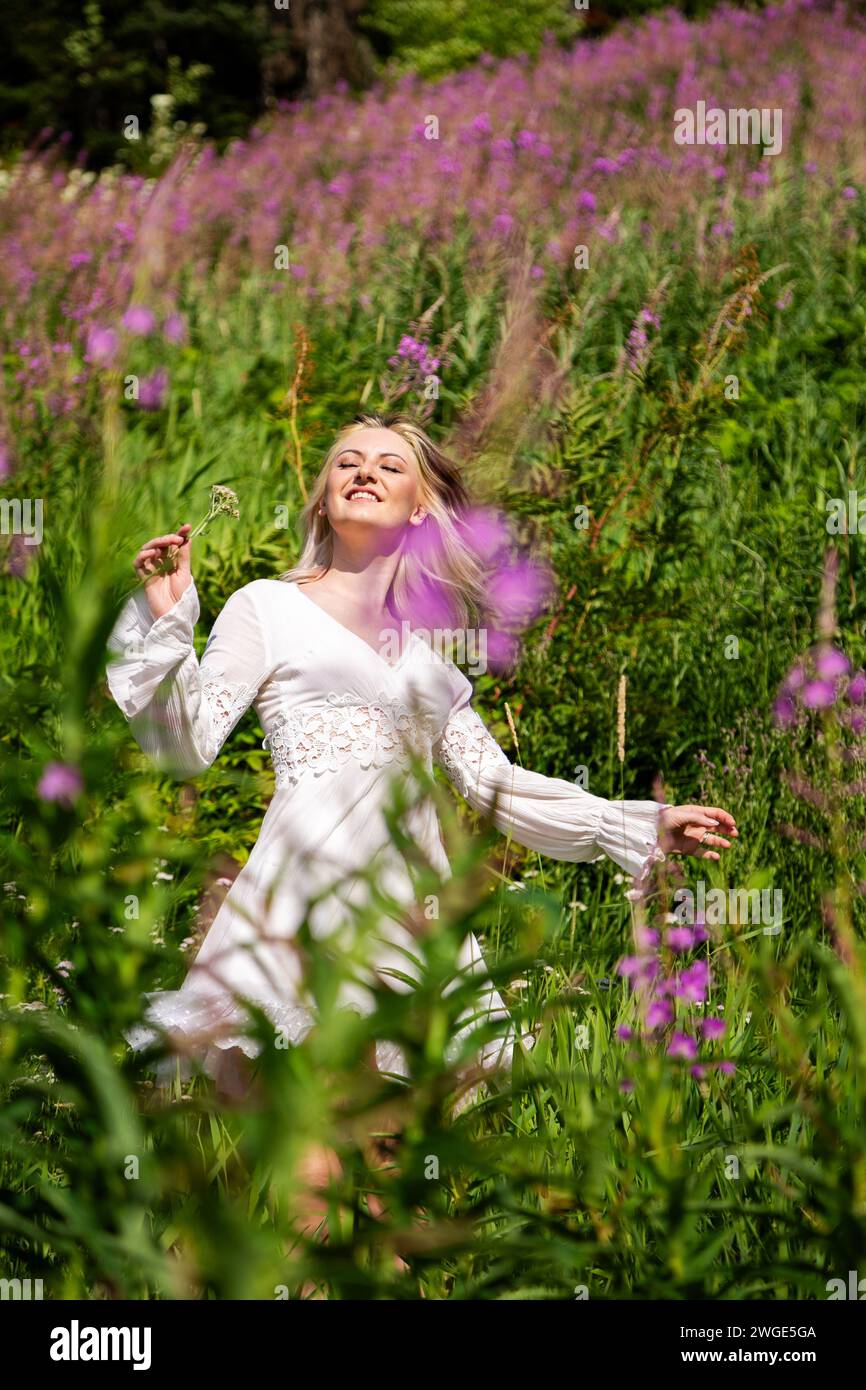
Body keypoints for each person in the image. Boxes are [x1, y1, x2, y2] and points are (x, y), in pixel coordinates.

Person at [106, 411, 737, 1107]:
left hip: (409, 920)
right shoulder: (268, 608)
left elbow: (498, 785)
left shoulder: (428, 660)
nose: (364, 471)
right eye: (346, 461)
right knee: (311, 1159)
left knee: (379, 1169)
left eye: (389, 464)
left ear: (419, 511)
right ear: (321, 497)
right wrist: (168, 619)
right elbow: (188, 743)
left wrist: (643, 824)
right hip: (305, 904)